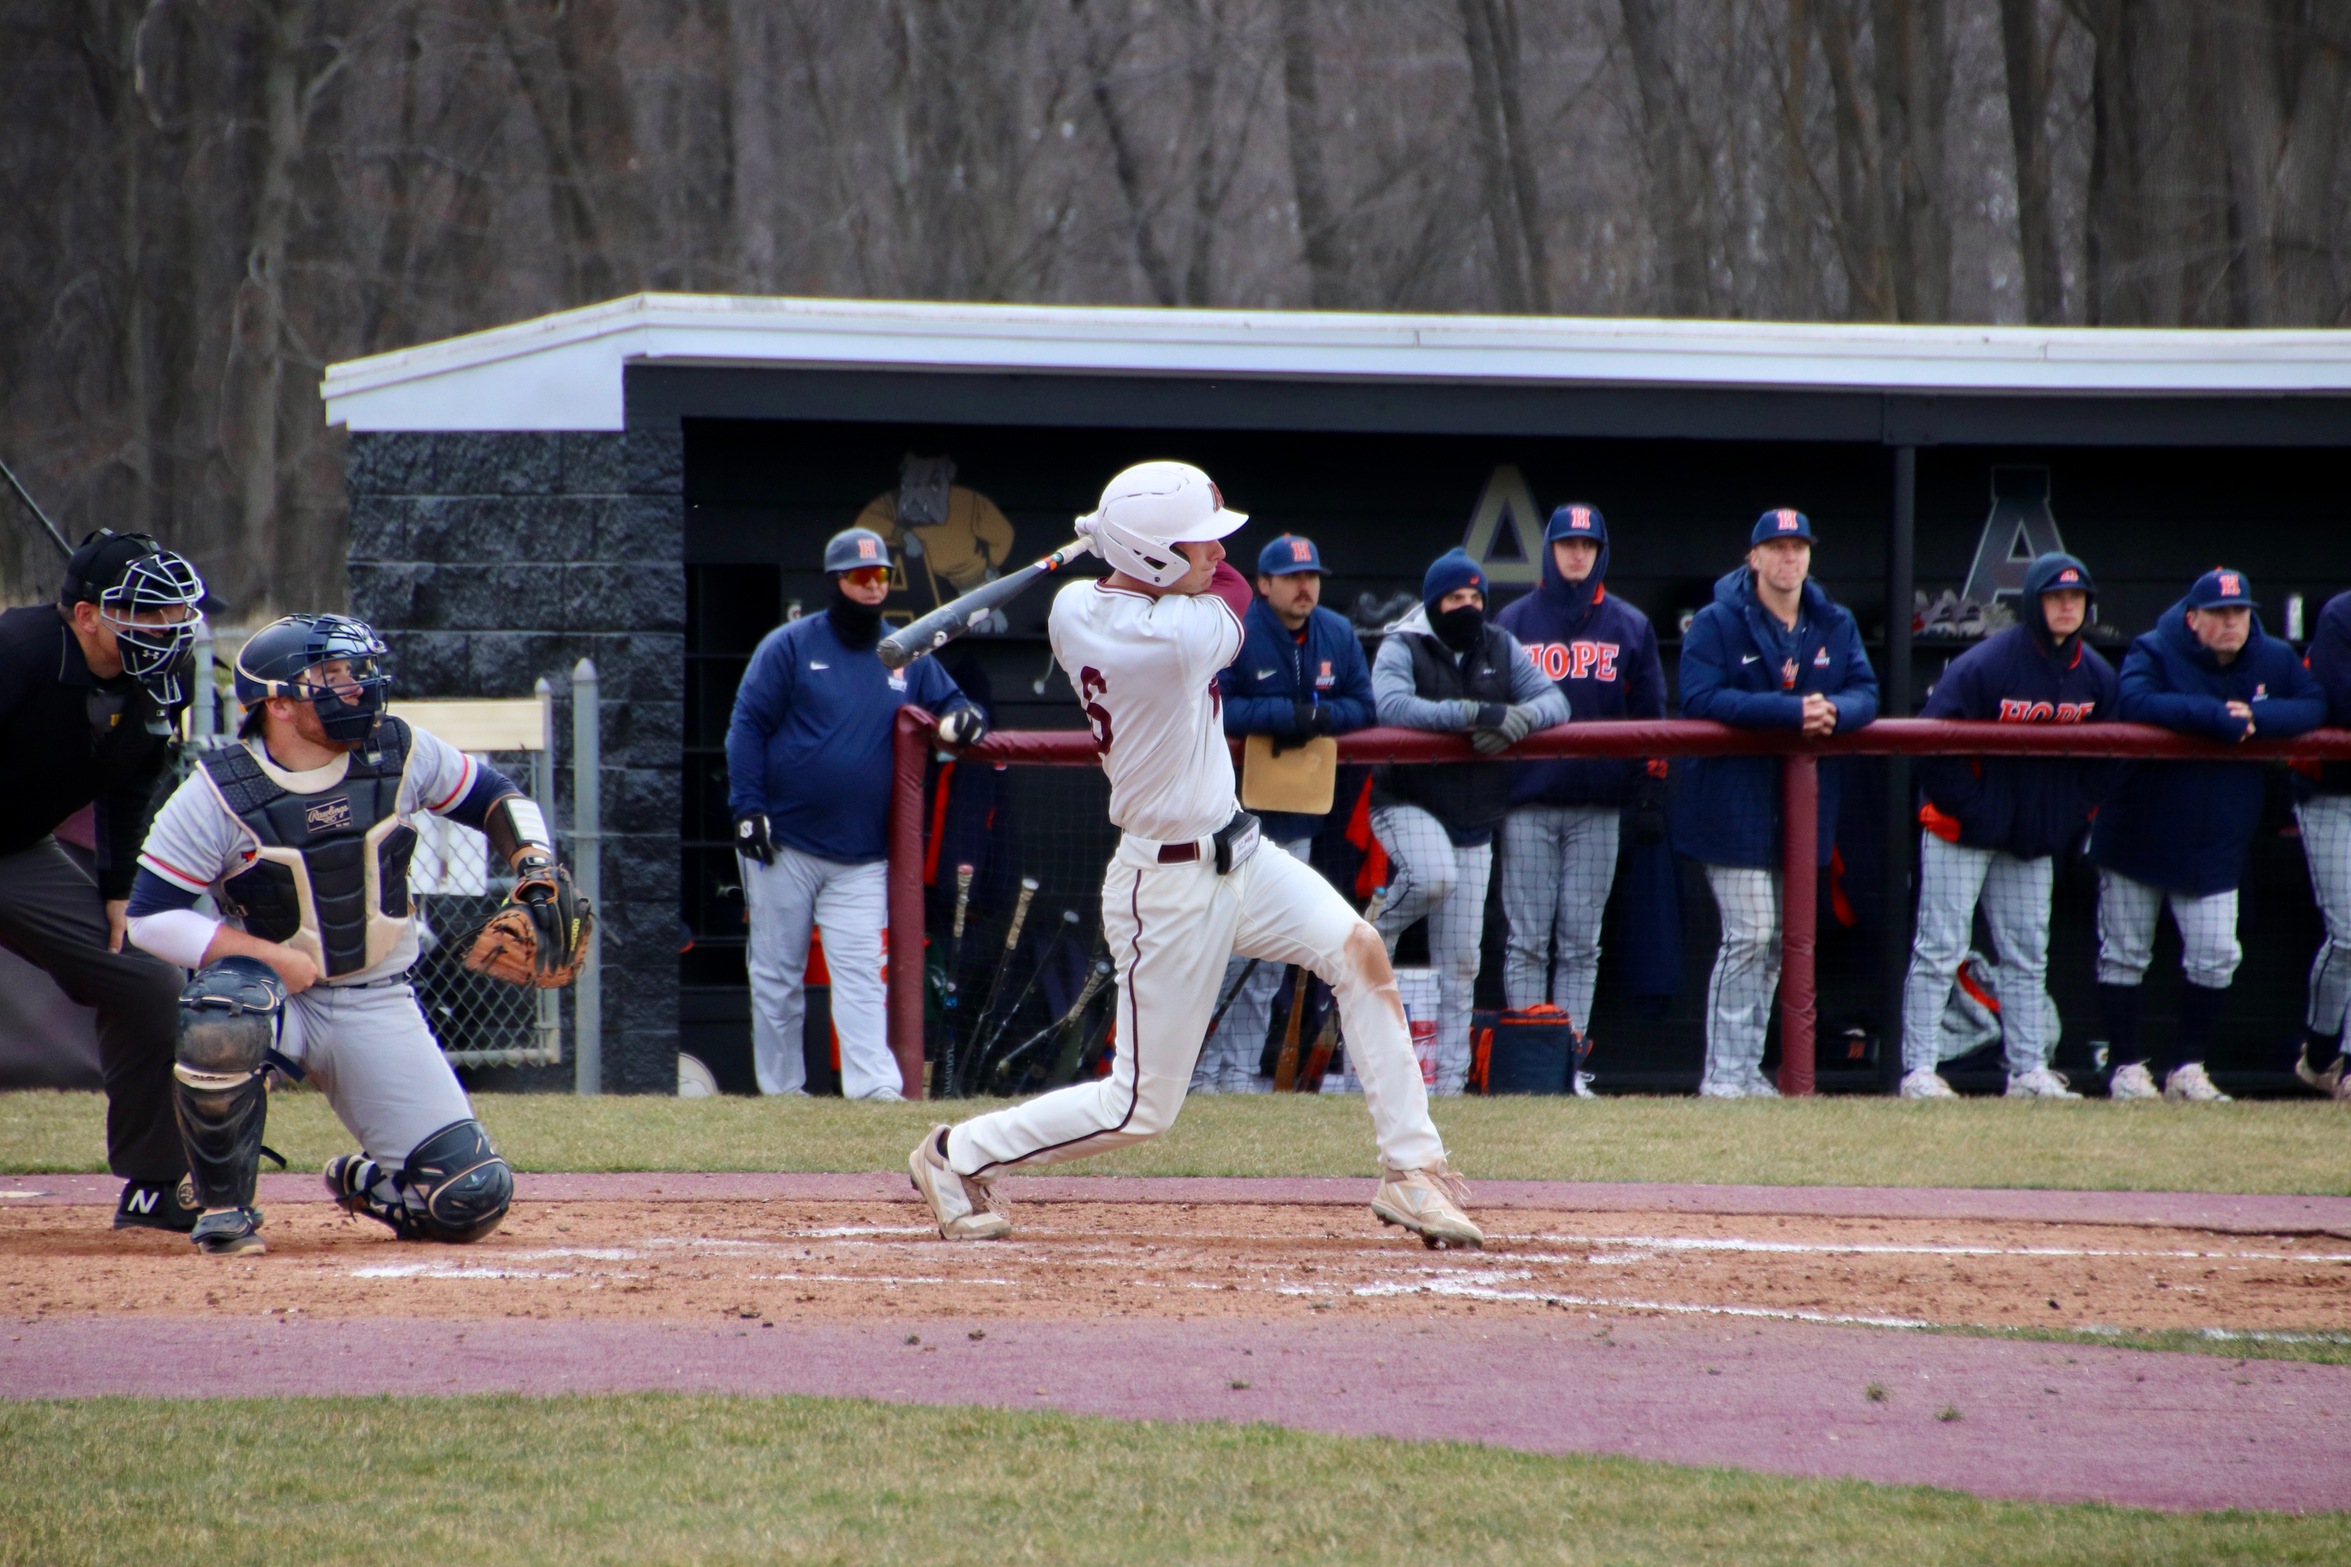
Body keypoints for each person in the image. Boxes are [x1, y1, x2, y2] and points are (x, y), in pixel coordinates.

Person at [906, 461, 1481, 1249]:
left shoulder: (1076, 603)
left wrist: (1129, 540)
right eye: (1197, 544)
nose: (1216, 555)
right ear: (1149, 558)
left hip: (1239, 853)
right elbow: (1238, 591)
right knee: (1139, 1108)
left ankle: (1411, 1170)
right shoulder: (1181, 634)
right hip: (1165, 885)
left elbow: (1166, 574)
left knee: (1359, 949)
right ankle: (954, 1153)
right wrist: (1134, 541)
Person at [124, 614, 576, 1254]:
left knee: (470, 1198)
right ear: (276, 703)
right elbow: (150, 918)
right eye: (329, 677)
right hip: (271, 994)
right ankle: (223, 1209)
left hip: (375, 996)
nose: (355, 688)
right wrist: (267, 955)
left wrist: (534, 863)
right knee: (221, 1013)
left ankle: (367, 1182)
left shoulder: (397, 749)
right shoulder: (217, 792)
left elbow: (493, 794)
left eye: (356, 673)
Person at [727, 527, 985, 1100]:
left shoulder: (905, 649)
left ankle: (873, 1093)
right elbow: (748, 725)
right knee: (776, 978)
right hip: (784, 843)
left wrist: (967, 719)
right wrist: (747, 807)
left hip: (865, 854)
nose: (871, 586)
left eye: (880, 576)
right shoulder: (791, 644)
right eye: (858, 576)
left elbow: (956, 706)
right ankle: (782, 1094)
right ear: (835, 582)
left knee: (864, 977)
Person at [0, 529, 205, 1232]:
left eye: (176, 612)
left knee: (146, 980)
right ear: (87, 615)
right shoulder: (18, 651)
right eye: (148, 613)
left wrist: (119, 885)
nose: (169, 628)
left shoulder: (165, 673)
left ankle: (153, 1183)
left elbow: (133, 780)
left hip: (16, 852)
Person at [2089, 567, 2323, 1101]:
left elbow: (2314, 705)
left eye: (2239, 612)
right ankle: (2126, 1067)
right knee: (2125, 954)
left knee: (2217, 954)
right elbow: (2136, 701)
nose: (2231, 622)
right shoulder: (2154, 648)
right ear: (2192, 618)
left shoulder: (2273, 657)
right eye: (2219, 613)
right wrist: (2213, 716)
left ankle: (2187, 1069)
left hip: (2217, 841)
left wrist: (2260, 717)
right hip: (2137, 833)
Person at [1672, 508, 1878, 1098]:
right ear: (1753, 557)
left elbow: (1866, 691)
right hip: (1729, 800)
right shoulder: (1716, 620)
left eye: (1799, 547)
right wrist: (1793, 711)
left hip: (1803, 804)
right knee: (1751, 932)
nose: (1789, 558)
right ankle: (1722, 1076)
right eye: (1777, 547)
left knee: (1779, 942)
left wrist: (1835, 712)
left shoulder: (1832, 621)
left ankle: (1745, 1072)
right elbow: (1700, 698)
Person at [1898, 552, 2119, 1100]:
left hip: (2030, 840)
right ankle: (1920, 1069)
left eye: (2076, 598)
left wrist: (2066, 816)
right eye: (2055, 597)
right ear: (2034, 604)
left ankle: (2027, 1069)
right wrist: (1978, 809)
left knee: (2026, 953)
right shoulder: (1986, 664)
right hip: (1960, 830)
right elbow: (1930, 744)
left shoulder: (2095, 675)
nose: (2067, 607)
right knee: (1940, 948)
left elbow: (2111, 757)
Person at [1369, 547, 1568, 1096]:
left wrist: (1518, 719)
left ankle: (1449, 1086)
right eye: (1456, 598)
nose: (1468, 606)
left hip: (1474, 814)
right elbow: (1391, 707)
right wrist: (1473, 715)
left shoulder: (1499, 643)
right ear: (1435, 602)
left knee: (1460, 963)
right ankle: (1376, 930)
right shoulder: (1402, 641)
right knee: (1434, 876)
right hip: (1406, 800)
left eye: (1476, 597)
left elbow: (1556, 701)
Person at [1191, 532, 1376, 1094]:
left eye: (1312, 576)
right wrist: (1286, 716)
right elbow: (1214, 703)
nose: (1305, 586)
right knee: (1216, 952)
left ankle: (1240, 1077)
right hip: (1229, 818)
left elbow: (1364, 707)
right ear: (1264, 583)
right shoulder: (1240, 630)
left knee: (1267, 960)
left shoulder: (1337, 633)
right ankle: (1199, 1077)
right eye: (1293, 577)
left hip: (1297, 818)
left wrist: (1314, 715)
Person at [1492, 503, 1666, 1039]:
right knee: (1526, 940)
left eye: (1587, 545)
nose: (1577, 553)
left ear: (1600, 552)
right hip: (1528, 805)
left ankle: (1567, 1061)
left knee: (1580, 942)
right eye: (1568, 543)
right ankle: (1527, 1058)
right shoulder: (1513, 622)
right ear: (1550, 549)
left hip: (1598, 809)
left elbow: (1651, 718)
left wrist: (1649, 792)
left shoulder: (1629, 624)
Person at [2294, 587, 2351, 1100]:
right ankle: (2319, 1051)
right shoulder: (2341, 612)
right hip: (2333, 792)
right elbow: (2340, 699)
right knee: (2349, 935)